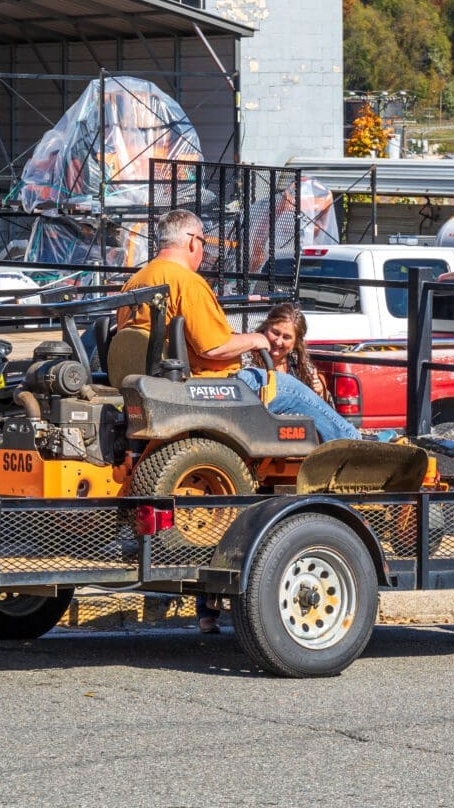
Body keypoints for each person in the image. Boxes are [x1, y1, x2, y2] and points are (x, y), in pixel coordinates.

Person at [120, 211, 360, 635]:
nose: (204, 253)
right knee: (283, 385)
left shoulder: (137, 280)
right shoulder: (186, 283)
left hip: (166, 389)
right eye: (205, 245)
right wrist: (255, 340)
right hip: (209, 391)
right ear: (193, 241)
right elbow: (213, 346)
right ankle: (357, 448)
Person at [256, 302, 328, 400]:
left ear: (296, 342)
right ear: (265, 327)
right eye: (275, 333)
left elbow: (317, 405)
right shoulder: (249, 356)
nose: (278, 342)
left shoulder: (298, 360)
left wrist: (320, 393)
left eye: (286, 337)